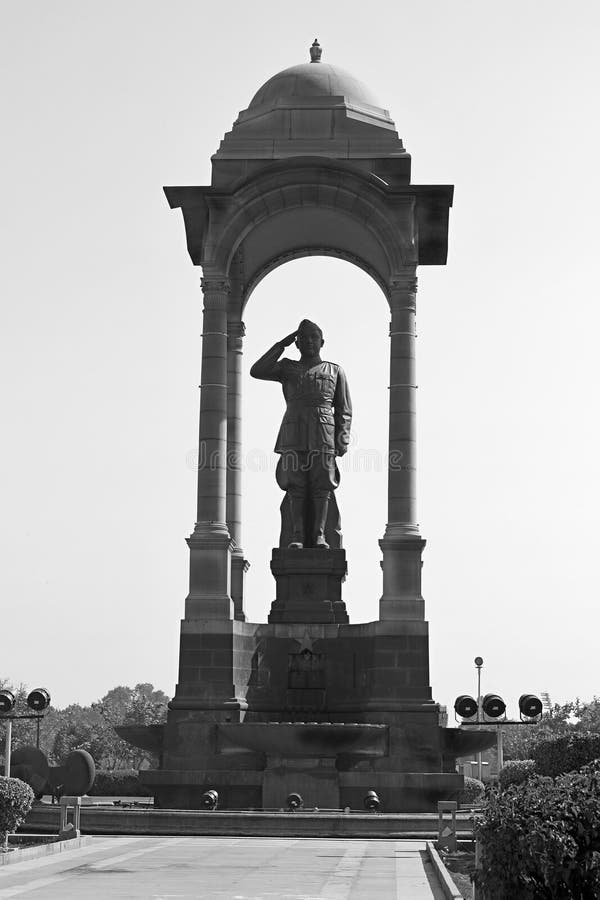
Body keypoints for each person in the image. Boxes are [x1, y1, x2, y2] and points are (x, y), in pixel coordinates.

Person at [250, 319, 352, 549]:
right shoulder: (287, 368)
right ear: (297, 343)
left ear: (322, 342)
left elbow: (344, 408)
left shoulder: (335, 371)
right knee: (295, 484)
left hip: (323, 432)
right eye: (303, 338)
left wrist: (342, 437)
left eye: (313, 337)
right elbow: (257, 370)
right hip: (293, 430)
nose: (308, 342)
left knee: (322, 483)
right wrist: (281, 345)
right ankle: (296, 535)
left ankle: (319, 536)